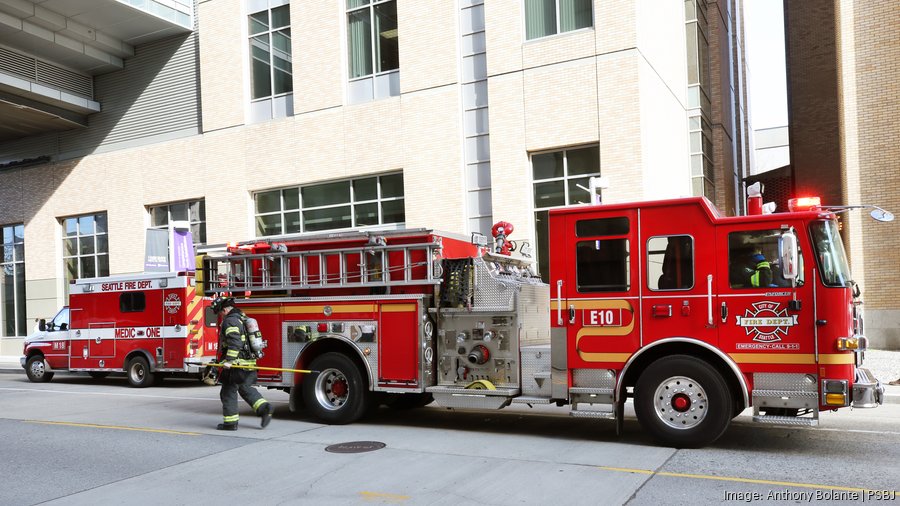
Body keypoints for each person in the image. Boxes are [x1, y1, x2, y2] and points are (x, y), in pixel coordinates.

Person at [211, 296, 273, 431]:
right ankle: (264, 408)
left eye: (220, 312)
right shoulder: (242, 318)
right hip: (249, 363)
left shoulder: (230, 321)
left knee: (227, 392)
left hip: (237, 365)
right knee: (245, 388)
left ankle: (230, 423)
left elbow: (235, 342)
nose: (220, 315)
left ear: (226, 310)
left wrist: (229, 361)